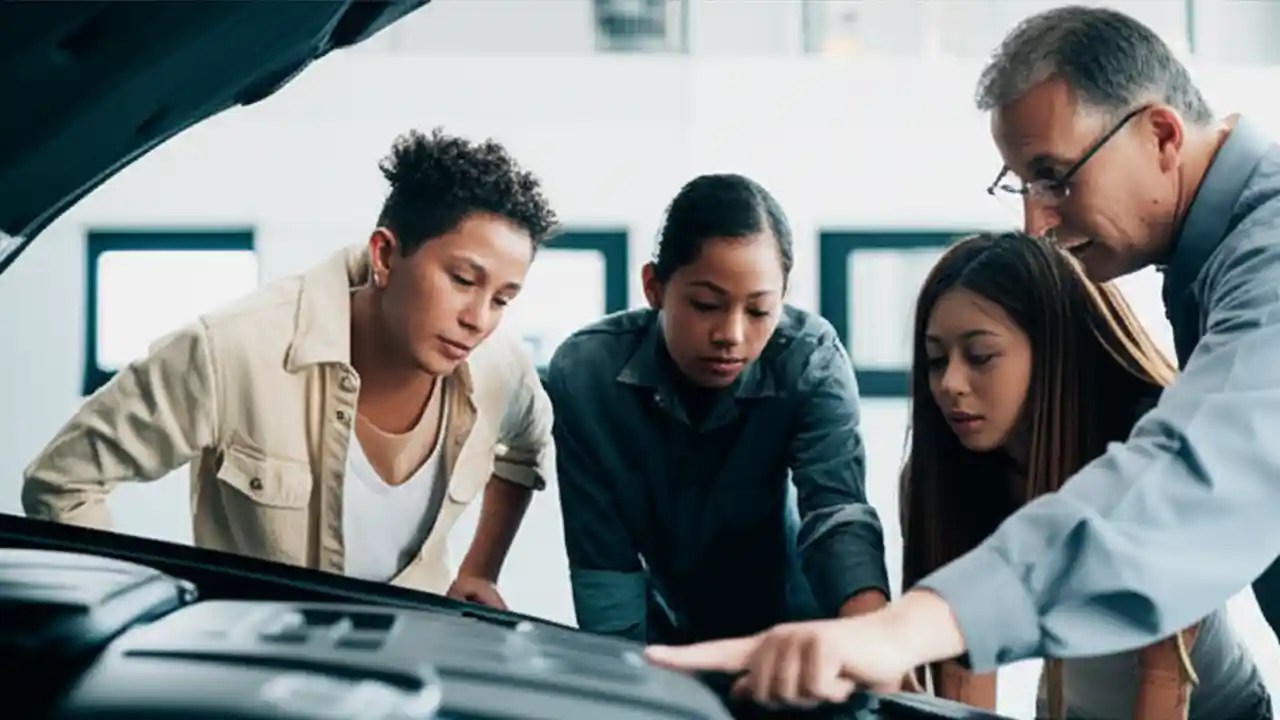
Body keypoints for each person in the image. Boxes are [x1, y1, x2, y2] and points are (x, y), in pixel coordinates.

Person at [645, 5, 1280, 711]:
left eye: (1054, 176)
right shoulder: (1215, 264)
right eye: (1023, 185)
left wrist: (902, 630)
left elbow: (1199, 473)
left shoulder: (1269, 252)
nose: (1035, 221)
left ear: (1161, 135)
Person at [22, 128, 559, 609]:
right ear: (384, 255)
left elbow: (527, 448)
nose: (478, 319)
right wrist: (131, 617)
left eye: (503, 299)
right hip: (263, 663)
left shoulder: (500, 367)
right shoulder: (232, 349)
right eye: (463, 280)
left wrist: (480, 570)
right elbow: (64, 480)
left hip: (416, 655)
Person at [901, 232, 1269, 719]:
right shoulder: (940, 476)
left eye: (980, 356)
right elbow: (962, 673)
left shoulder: (1151, 463)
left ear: (1053, 350)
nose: (950, 383)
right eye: (935, 360)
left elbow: (1164, 679)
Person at [544, 174, 894, 664]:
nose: (731, 334)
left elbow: (835, 512)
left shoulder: (809, 359)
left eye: (759, 310)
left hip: (798, 634)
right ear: (654, 287)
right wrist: (621, 679)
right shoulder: (587, 373)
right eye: (706, 305)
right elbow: (603, 559)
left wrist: (875, 637)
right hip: (663, 637)